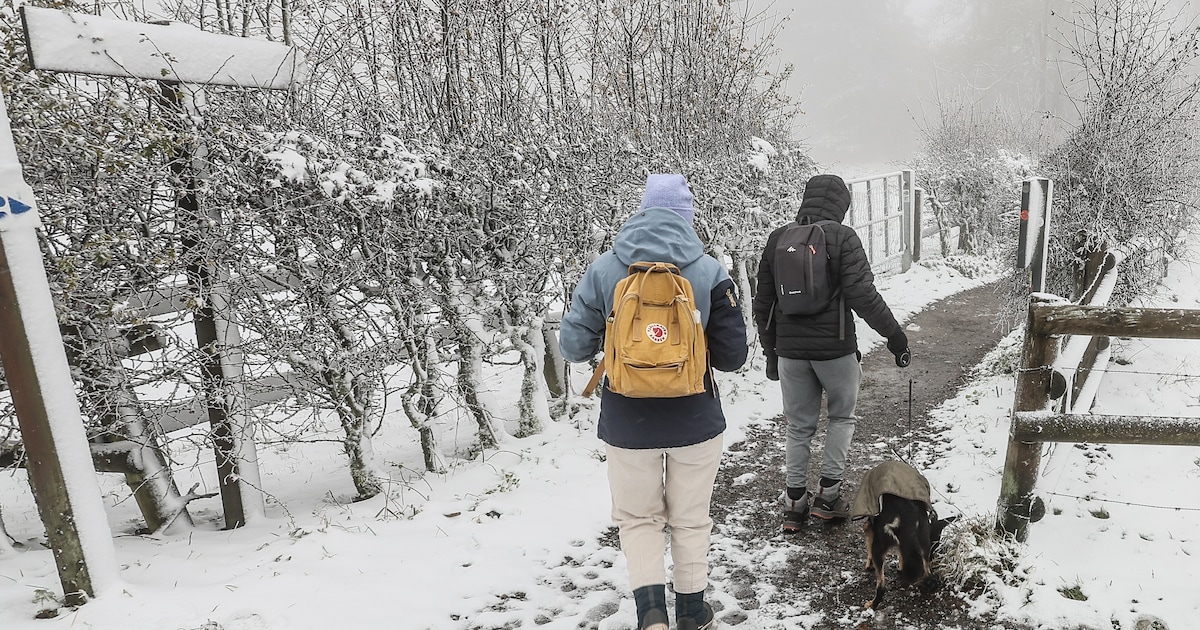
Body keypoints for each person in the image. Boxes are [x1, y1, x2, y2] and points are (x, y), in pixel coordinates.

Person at [559, 173, 748, 630]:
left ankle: (651, 616)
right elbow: (733, 357)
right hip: (695, 420)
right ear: (687, 219)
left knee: (638, 519)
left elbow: (570, 346)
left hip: (628, 420)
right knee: (689, 519)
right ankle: (690, 611)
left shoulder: (606, 267)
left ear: (640, 212)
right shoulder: (708, 269)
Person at [752, 173, 910, 532]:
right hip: (835, 351)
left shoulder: (778, 239)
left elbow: (763, 304)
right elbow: (863, 296)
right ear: (841, 205)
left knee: (798, 427)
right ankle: (828, 497)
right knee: (840, 418)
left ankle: (794, 505)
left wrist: (771, 353)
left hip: (791, 353)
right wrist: (894, 336)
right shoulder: (842, 238)